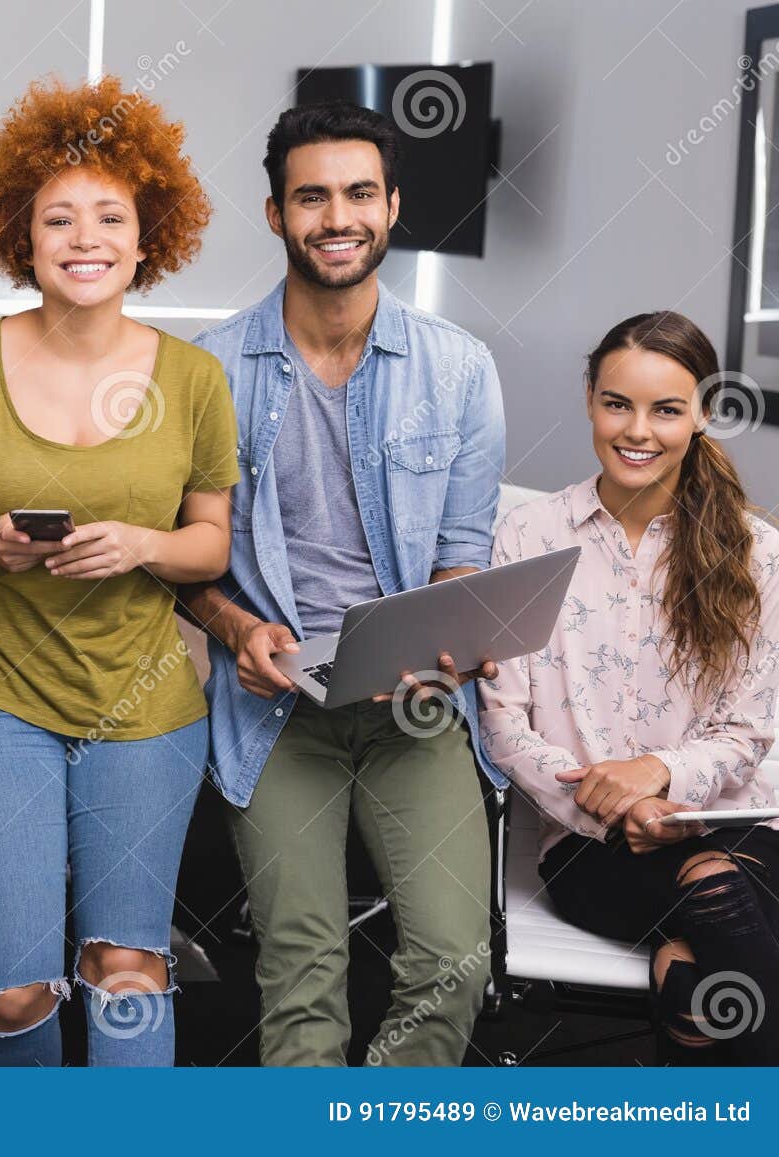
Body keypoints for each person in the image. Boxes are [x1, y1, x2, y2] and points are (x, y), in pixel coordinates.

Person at [0, 77, 237, 1067]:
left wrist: (141, 544)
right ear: (22, 235)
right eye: (57, 217)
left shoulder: (193, 378)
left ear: (146, 237)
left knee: (125, 963)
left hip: (143, 702)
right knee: (11, 989)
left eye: (108, 217)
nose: (83, 237)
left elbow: (209, 543)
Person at [179, 101, 508, 1066]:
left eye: (360, 192)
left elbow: (463, 551)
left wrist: (443, 644)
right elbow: (185, 562)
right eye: (311, 196)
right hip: (276, 708)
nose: (338, 216)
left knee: (454, 959)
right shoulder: (208, 372)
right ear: (277, 213)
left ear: (393, 205)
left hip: (416, 707)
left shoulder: (460, 368)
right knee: (300, 963)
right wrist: (237, 628)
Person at [480, 311, 779, 1064]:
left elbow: (748, 731)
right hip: (587, 845)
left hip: (735, 824)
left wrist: (660, 776)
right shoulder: (529, 535)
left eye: (667, 409)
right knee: (716, 896)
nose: (637, 429)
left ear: (704, 412)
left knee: (696, 950)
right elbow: (506, 727)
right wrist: (615, 808)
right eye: (618, 403)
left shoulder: (759, 553)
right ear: (589, 399)